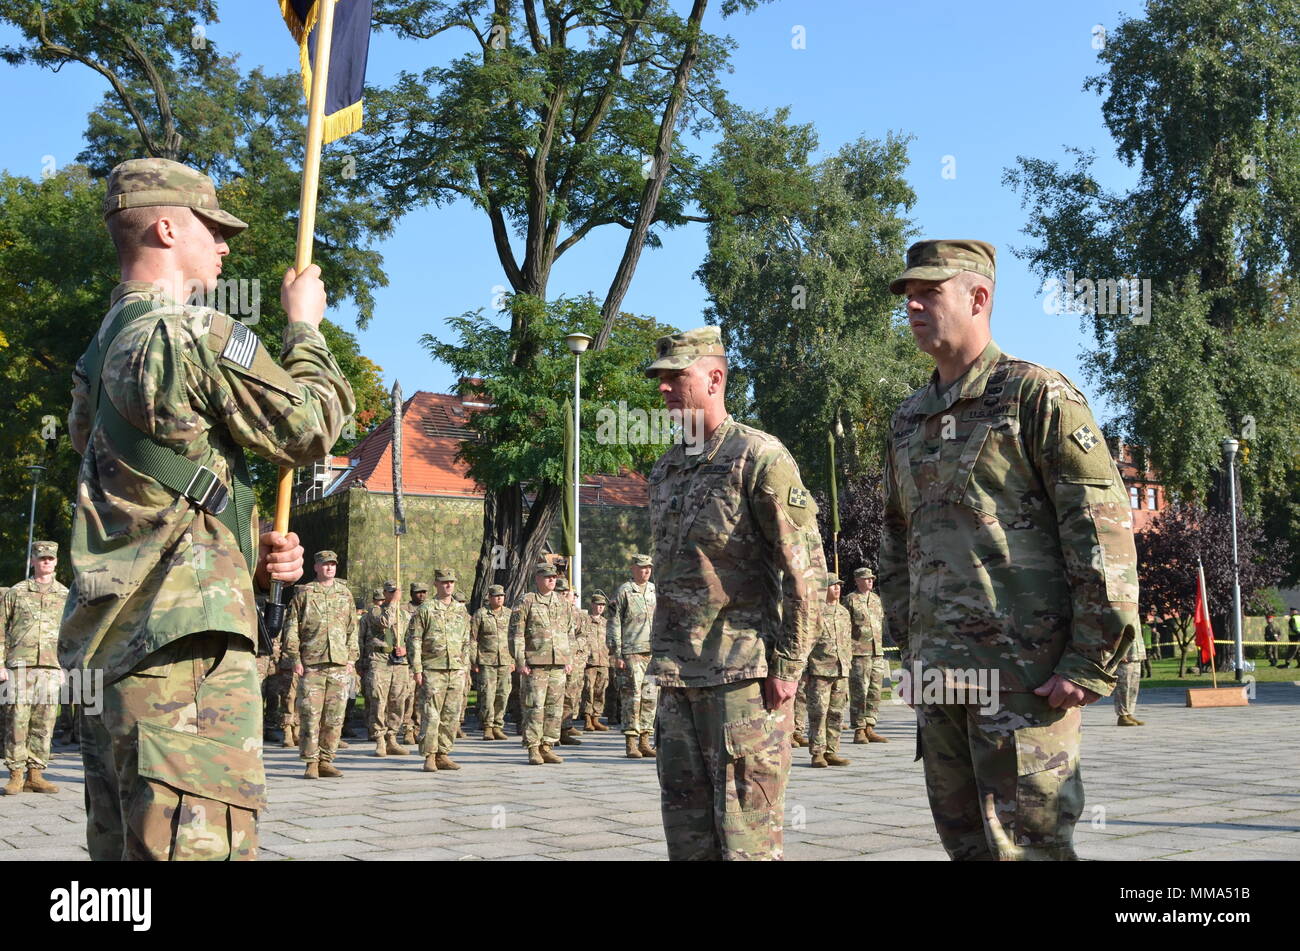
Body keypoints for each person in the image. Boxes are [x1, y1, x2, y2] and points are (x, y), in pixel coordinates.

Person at [63, 157, 353, 860]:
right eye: (211, 228)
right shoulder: (192, 332)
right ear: (166, 226)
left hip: (111, 660)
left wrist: (246, 557)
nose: (224, 245)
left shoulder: (96, 357)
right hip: (185, 665)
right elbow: (314, 422)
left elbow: (151, 506)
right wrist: (305, 328)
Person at [881, 239, 1140, 861]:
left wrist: (1090, 658)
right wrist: (911, 648)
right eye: (908, 296)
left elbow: (1100, 530)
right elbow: (897, 539)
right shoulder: (909, 417)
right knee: (965, 843)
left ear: (979, 297)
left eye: (928, 292)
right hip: (942, 677)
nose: (913, 306)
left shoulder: (1037, 397)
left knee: (1028, 848)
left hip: (1023, 677)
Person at [646, 327, 824, 861]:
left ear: (715, 378)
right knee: (688, 840)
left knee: (747, 842)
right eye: (661, 380)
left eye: (677, 377)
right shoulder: (666, 468)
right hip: (677, 678)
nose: (664, 390)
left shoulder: (759, 456)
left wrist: (788, 669)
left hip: (741, 681)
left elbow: (805, 574)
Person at [283, 551, 359, 778]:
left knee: (335, 717)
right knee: (310, 715)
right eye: (325, 565)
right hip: (312, 664)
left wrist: (351, 659)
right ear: (315, 567)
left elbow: (352, 629)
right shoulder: (304, 593)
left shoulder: (345, 594)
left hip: (339, 664)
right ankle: (310, 762)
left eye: (333, 565)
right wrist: (295, 659)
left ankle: (326, 759)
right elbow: (292, 629)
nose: (329, 568)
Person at [1, 541, 68, 795]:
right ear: (32, 561)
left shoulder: (65, 595)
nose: (46, 562)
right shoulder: (16, 592)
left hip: (51, 666)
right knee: (17, 719)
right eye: (41, 558)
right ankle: (16, 774)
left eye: (50, 559)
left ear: (56, 562)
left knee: (46, 721)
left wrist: (66, 666)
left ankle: (36, 774)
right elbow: (1, 630)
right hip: (20, 665)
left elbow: (70, 634)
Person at [509, 564, 573, 765]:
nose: (551, 580)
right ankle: (533, 747)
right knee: (534, 706)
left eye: (553, 577)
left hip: (558, 662)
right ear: (537, 578)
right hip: (535, 662)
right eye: (547, 577)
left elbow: (568, 632)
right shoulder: (527, 601)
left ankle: (547, 745)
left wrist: (567, 658)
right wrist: (520, 660)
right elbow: (516, 634)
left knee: (555, 707)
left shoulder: (562, 602)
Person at [407, 569, 470, 771]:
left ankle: (444, 753)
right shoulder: (426, 609)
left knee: (451, 715)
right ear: (436, 584)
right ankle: (429, 755)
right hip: (433, 668)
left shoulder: (461, 610)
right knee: (431, 714)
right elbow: (414, 640)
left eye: (451, 582)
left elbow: (466, 641)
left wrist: (464, 666)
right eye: (444, 582)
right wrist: (417, 668)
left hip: (456, 669)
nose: (448, 585)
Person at [608, 554, 657, 759]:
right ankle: (631, 741)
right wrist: (616, 652)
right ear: (632, 568)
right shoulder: (625, 591)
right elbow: (614, 622)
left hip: (652, 652)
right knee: (632, 697)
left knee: (650, 697)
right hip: (631, 652)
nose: (646, 571)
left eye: (648, 568)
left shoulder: (655, 591)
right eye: (642, 567)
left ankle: (645, 740)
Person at [805, 575, 852, 768]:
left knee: (836, 713)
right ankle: (817, 753)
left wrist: (848, 664)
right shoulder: (814, 612)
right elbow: (807, 641)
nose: (837, 589)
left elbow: (848, 640)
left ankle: (832, 751)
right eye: (833, 585)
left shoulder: (843, 612)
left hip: (841, 669)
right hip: (820, 669)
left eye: (839, 585)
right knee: (818, 713)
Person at [366, 582, 411, 756]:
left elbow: (411, 636)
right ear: (384, 593)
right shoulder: (375, 611)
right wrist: (393, 603)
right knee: (378, 700)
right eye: (391, 592)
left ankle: (392, 737)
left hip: (399, 661)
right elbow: (385, 622)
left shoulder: (405, 615)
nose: (394, 594)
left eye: (397, 592)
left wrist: (406, 649)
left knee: (398, 700)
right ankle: (379, 738)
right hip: (380, 660)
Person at [844, 566, 889, 744]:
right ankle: (859, 729)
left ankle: (870, 726)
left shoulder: (877, 600)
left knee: (874, 691)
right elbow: (844, 627)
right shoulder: (850, 600)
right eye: (867, 578)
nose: (871, 581)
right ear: (857, 580)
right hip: (858, 653)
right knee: (859, 692)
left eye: (872, 578)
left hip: (877, 652)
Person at [469, 584, 513, 741]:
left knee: (503, 694)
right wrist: (473, 661)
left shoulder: (509, 614)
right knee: (487, 694)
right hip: (487, 660)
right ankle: (487, 726)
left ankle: (497, 725)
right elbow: (473, 639)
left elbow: (513, 638)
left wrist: (514, 659)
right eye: (496, 595)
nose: (499, 598)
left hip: (506, 660)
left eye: (501, 595)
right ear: (489, 597)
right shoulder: (481, 614)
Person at [557, 578, 588, 746]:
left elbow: (582, 635)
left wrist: (577, 653)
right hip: (554, 658)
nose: (564, 596)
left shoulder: (576, 613)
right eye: (560, 592)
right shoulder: (552, 609)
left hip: (573, 659)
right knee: (554, 697)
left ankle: (564, 728)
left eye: (566, 593)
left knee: (570, 694)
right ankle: (550, 732)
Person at [400, 582, 428, 743]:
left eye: (424, 592)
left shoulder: (430, 609)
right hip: (407, 660)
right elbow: (393, 632)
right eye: (418, 592)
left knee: (422, 696)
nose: (421, 595)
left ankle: (418, 727)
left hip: (425, 659)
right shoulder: (403, 610)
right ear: (411, 594)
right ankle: (407, 729)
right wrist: (400, 647)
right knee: (408, 696)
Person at [581, 592, 612, 731]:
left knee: (601, 690)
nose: (600, 607)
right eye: (598, 604)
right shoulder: (585, 621)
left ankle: (596, 718)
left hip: (604, 661)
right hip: (589, 661)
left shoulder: (607, 623)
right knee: (588, 690)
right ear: (592, 604)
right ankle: (587, 718)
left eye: (602, 605)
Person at [1114, 631, 1146, 727]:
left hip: (1136, 655)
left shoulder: (1136, 616)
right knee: (1123, 687)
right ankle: (1122, 716)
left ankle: (1129, 713)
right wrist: (1119, 651)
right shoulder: (1122, 615)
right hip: (1125, 656)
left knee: (1133, 688)